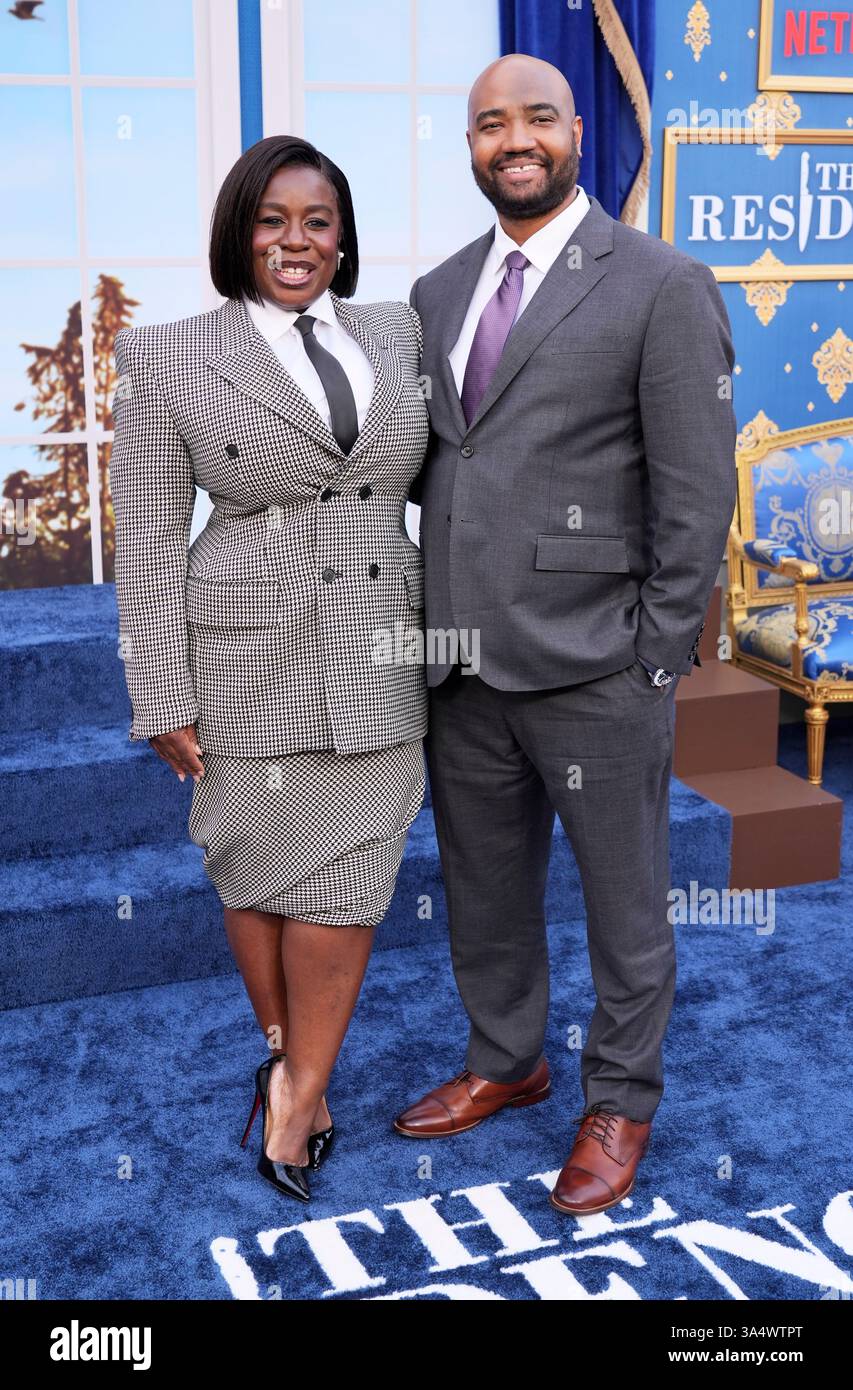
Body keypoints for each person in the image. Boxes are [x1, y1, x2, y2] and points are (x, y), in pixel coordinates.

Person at [394, 54, 737, 1216]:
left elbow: (697, 490)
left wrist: (656, 649)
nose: (515, 139)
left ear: (576, 129)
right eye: (492, 123)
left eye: (536, 116)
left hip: (599, 663)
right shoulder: (435, 293)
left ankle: (620, 1100)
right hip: (459, 665)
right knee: (483, 889)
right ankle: (509, 1059)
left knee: (624, 905)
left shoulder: (659, 282)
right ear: (474, 146)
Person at [109, 135, 429, 1204]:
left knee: (349, 880)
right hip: (245, 650)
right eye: (273, 220)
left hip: (382, 640)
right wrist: (160, 691)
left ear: (344, 240)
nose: (297, 242)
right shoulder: (167, 356)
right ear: (238, 231)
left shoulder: (398, 330)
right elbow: (148, 540)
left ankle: (296, 1085)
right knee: (256, 866)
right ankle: (298, 1072)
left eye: (319, 222)